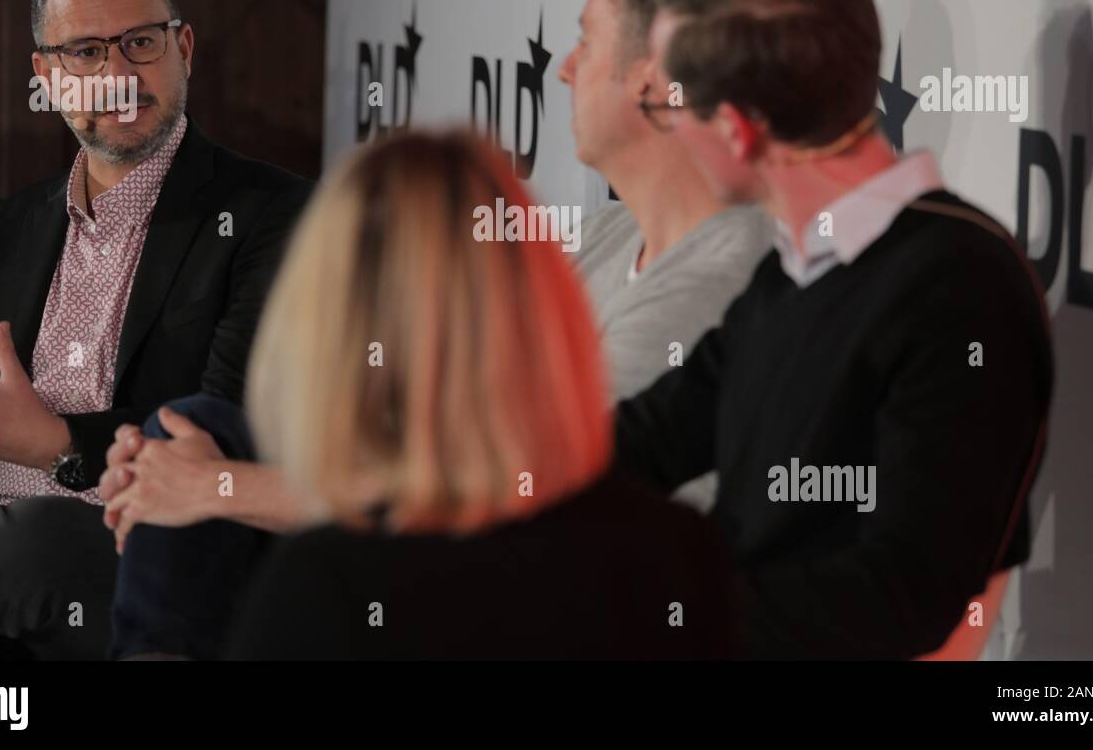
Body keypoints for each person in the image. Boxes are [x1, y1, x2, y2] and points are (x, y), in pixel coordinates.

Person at [107, 131, 741, 659]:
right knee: (189, 427)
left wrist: (216, 488)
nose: (568, 66)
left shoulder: (324, 589)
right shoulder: (681, 548)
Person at [614, 0, 1053, 658]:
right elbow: (654, 435)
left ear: (737, 129)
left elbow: (905, 595)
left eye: (670, 105)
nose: (664, 124)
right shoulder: (794, 268)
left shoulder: (962, 288)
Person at [0, 0, 309, 659]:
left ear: (185, 50)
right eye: (84, 52)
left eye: (141, 42)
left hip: (140, 561)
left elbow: (226, 421)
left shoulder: (271, 214)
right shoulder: (12, 226)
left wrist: (53, 445)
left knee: (39, 537)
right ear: (45, 75)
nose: (117, 74)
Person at [560, 0, 772, 511]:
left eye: (586, 43)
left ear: (650, 76)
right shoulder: (604, 234)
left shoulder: (717, 282)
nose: (564, 68)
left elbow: (540, 491)